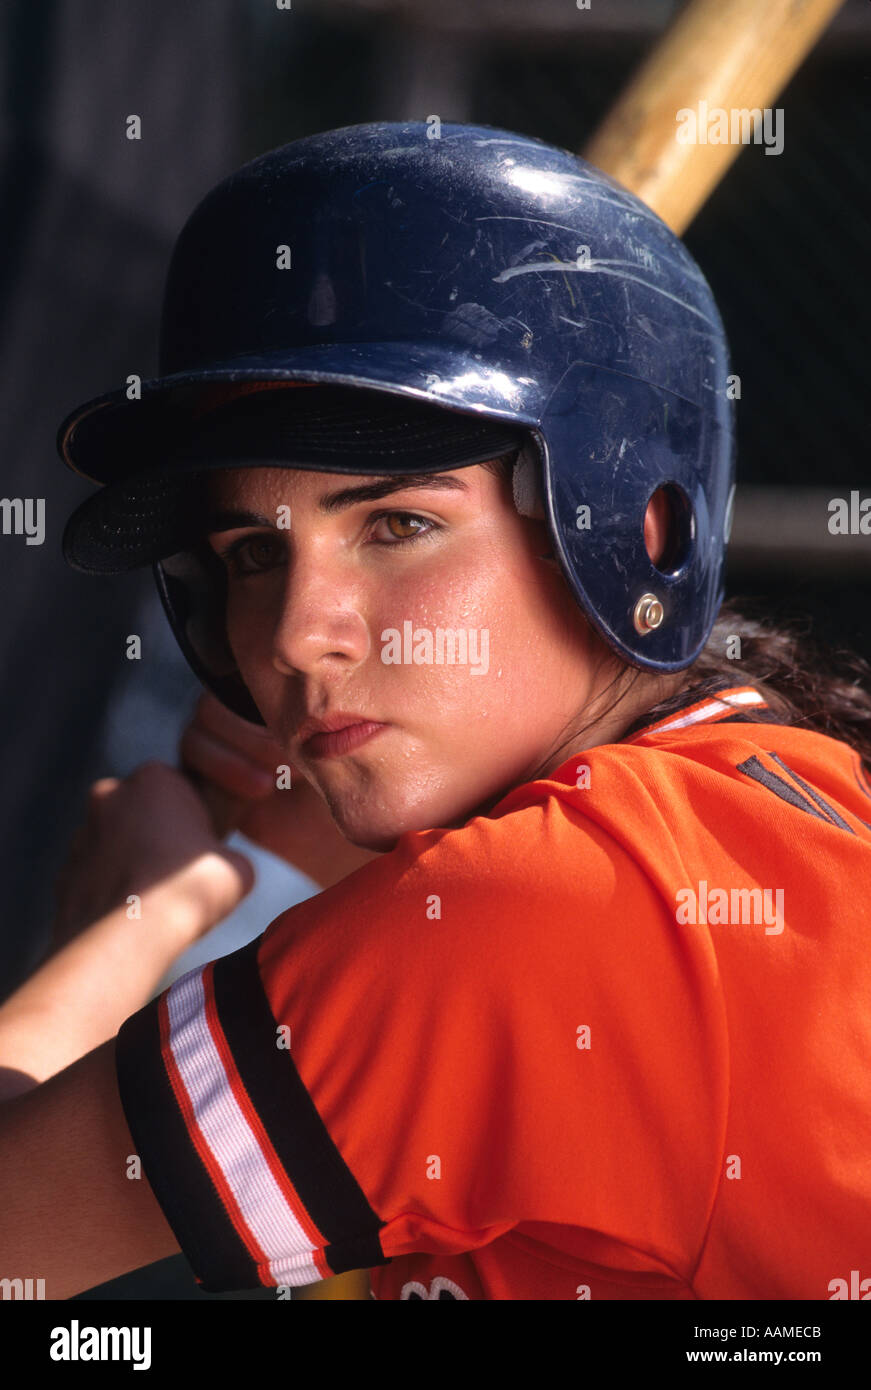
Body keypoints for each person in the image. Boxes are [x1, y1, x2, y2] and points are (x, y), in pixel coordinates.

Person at [2, 121, 870, 1302]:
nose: (299, 635)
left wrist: (149, 910)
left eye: (398, 524)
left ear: (639, 532)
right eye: (254, 552)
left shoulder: (538, 904)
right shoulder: (781, 800)